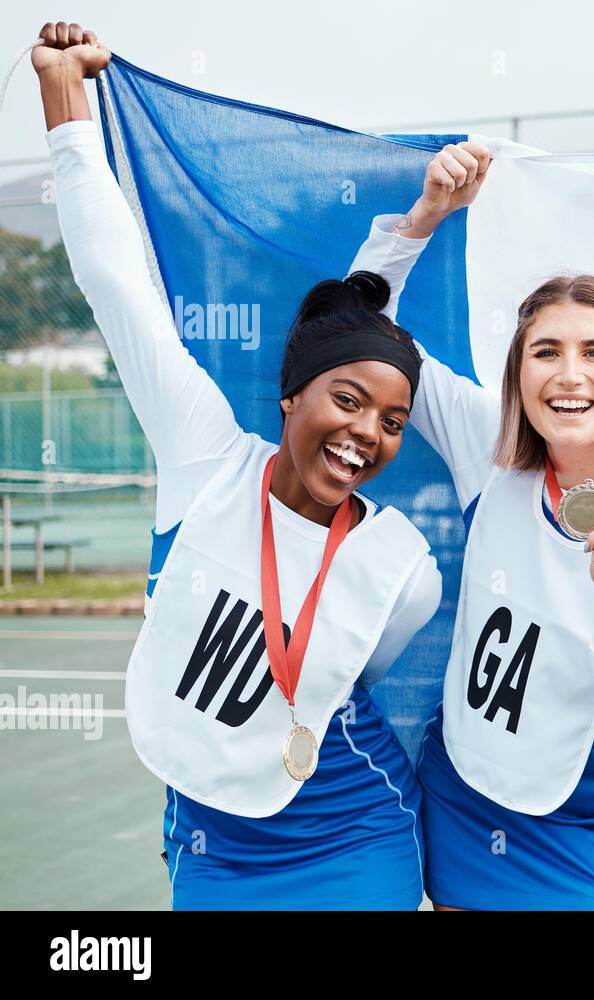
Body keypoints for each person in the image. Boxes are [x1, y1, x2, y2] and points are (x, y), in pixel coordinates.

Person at [34, 21, 444, 910]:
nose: (366, 432)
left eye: (392, 420)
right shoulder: (205, 457)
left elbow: (348, 684)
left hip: (354, 827)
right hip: (216, 844)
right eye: (347, 400)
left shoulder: (403, 566)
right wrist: (67, 109)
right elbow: (119, 288)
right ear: (290, 396)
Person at [345, 149, 594, 909]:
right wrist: (422, 222)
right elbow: (357, 331)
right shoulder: (487, 447)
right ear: (519, 371)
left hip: (589, 821)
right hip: (467, 796)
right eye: (545, 352)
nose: (569, 374)